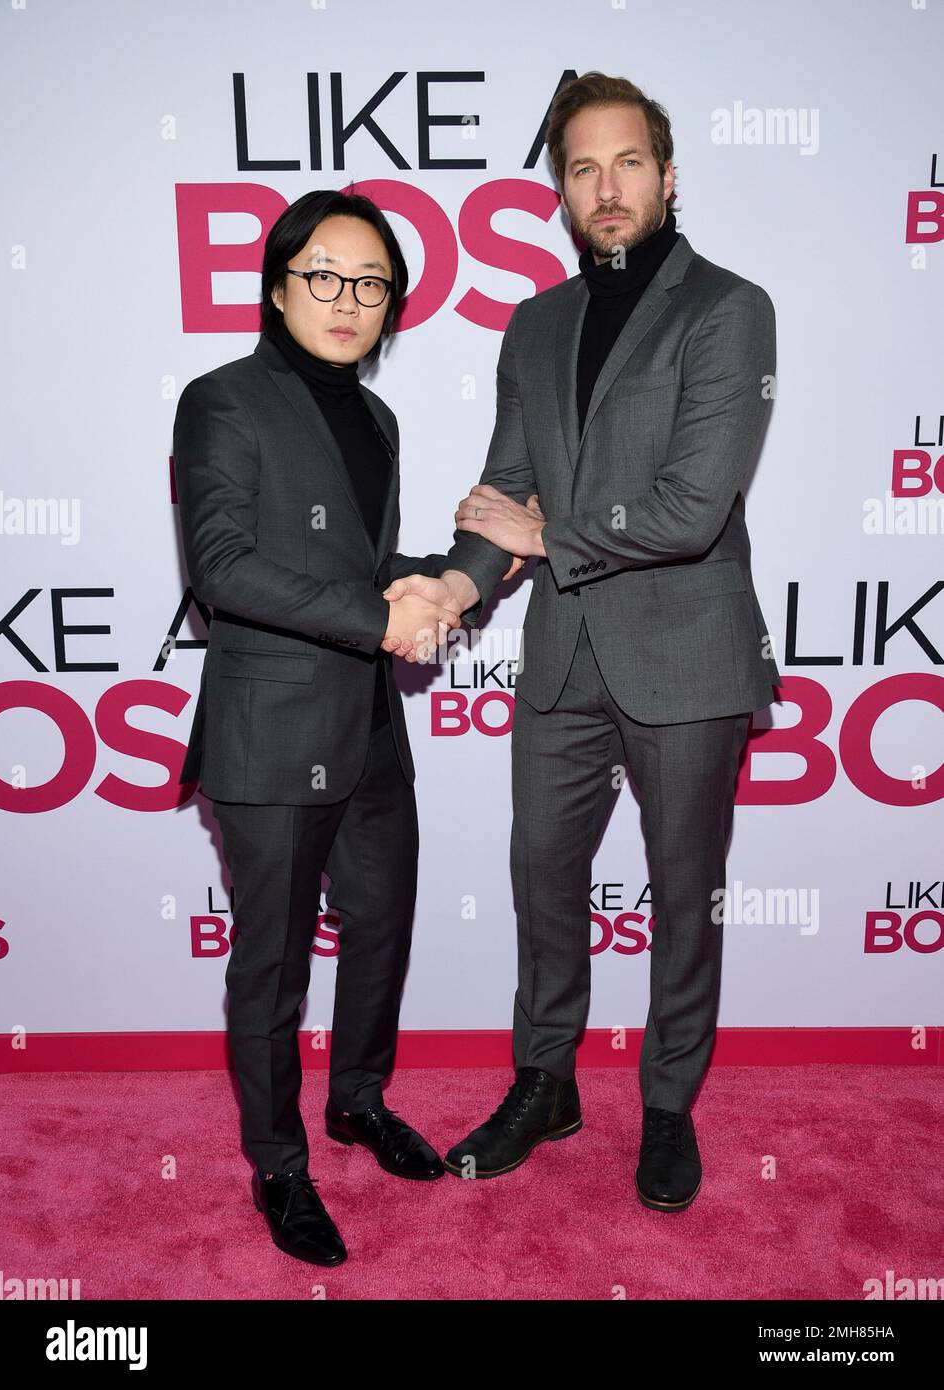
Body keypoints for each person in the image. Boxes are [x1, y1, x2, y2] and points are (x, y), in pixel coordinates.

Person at [386, 72, 782, 1212]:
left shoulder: (729, 309)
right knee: (544, 883)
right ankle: (545, 1082)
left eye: (627, 163)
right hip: (562, 651)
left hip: (688, 654)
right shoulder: (536, 320)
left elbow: (692, 508)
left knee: (683, 891)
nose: (605, 188)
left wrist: (544, 533)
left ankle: (668, 1106)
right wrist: (447, 592)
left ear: (667, 174)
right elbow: (501, 496)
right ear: (560, 189)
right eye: (581, 168)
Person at [172, 189, 519, 1265]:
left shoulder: (377, 419)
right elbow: (223, 569)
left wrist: (467, 565)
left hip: (367, 723)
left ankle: (358, 1102)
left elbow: (361, 570)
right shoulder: (221, 400)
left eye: (370, 285)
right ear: (278, 288)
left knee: (379, 925)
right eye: (324, 275)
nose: (347, 299)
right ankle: (279, 1163)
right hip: (270, 730)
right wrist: (383, 616)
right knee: (273, 968)